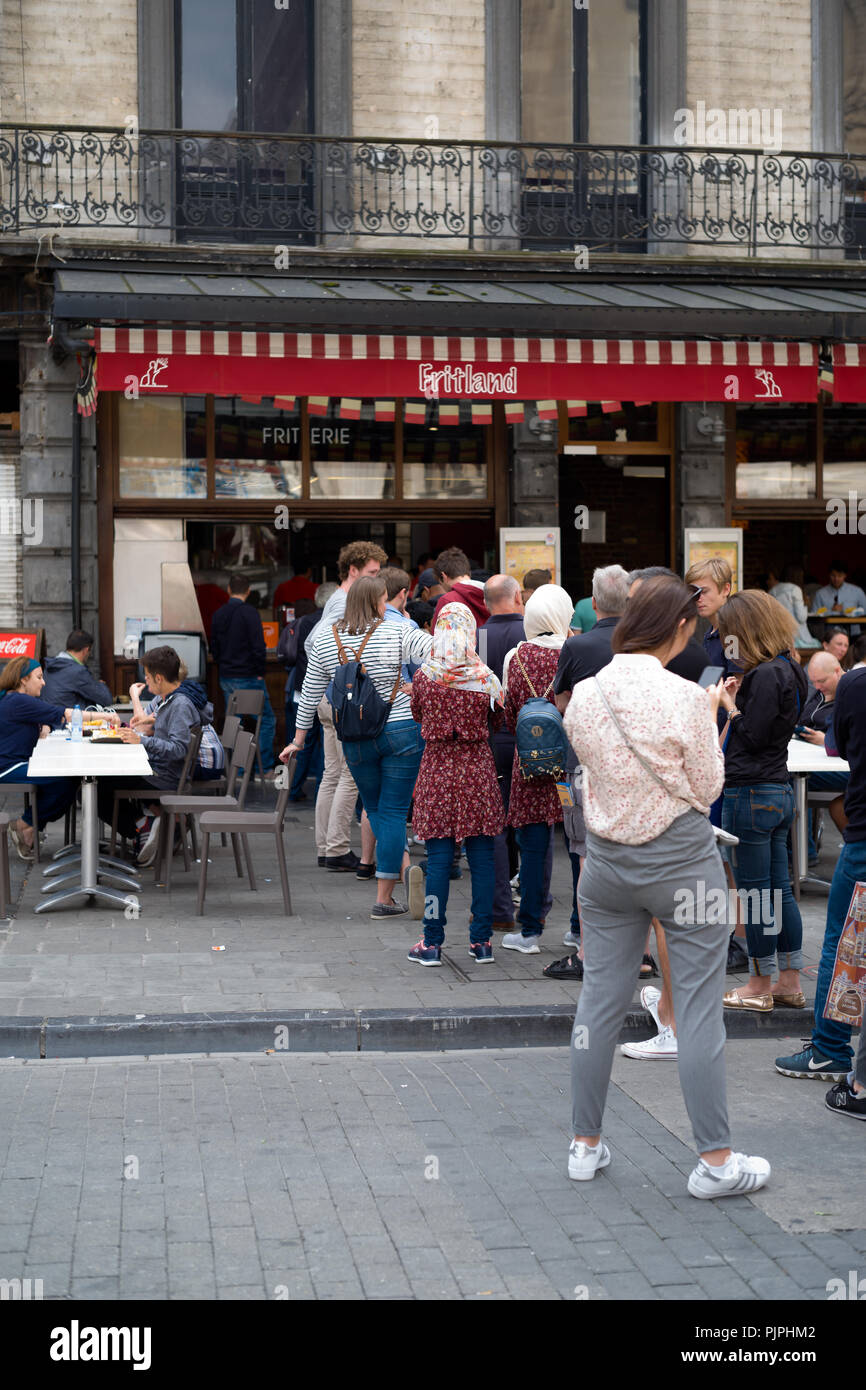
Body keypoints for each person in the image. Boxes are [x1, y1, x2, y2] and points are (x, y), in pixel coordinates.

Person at [565, 575, 771, 1198]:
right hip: (682, 865)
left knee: (599, 1003)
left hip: (604, 867)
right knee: (702, 1008)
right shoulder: (686, 697)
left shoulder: (584, 696)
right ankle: (715, 1161)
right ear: (680, 627)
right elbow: (708, 788)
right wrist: (710, 718)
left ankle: (584, 1145)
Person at [283, 576, 432, 917]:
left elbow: (309, 693)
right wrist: (418, 690)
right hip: (400, 731)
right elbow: (437, 656)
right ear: (379, 601)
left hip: (354, 737)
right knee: (394, 812)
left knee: (376, 809)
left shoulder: (324, 637)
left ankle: (394, 881)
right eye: (383, 600)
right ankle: (386, 893)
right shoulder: (399, 630)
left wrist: (298, 739)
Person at [714, 590, 808, 1011]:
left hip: (750, 792)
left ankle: (758, 985)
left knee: (755, 896)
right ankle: (788, 981)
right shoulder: (788, 667)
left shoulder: (766, 673)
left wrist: (730, 705)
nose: (726, 642)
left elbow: (751, 736)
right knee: (779, 891)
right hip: (777, 789)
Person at [776, 655, 866, 1083]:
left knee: (844, 944)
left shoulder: (855, 686)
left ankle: (830, 1048)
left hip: (863, 838)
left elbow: (839, 749)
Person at [407, 603, 505, 965]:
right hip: (477, 770)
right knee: (481, 858)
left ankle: (431, 941)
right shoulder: (485, 678)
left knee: (438, 859)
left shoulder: (425, 677)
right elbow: (500, 720)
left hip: (437, 770)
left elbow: (418, 714)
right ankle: (482, 941)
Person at [546, 564, 630, 980]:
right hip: (634, 767)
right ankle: (641, 952)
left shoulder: (576, 648)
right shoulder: (644, 644)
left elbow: (561, 702)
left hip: (583, 763)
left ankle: (586, 949)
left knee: (582, 854)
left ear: (593, 603)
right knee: (633, 854)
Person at [301, 543, 387, 870]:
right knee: (349, 775)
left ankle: (326, 847)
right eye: (372, 573)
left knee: (333, 774)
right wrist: (341, 678)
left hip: (332, 698)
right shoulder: (345, 601)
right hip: (341, 700)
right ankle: (336, 848)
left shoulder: (340, 599)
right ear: (353, 570)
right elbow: (314, 642)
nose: (377, 581)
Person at [500, 583, 573, 955]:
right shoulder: (573, 652)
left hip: (527, 765)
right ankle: (578, 928)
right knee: (579, 846)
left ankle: (530, 931)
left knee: (532, 845)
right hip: (568, 766)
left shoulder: (517, 655)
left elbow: (511, 711)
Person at [98, 646, 204, 864]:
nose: (145, 681)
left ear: (158, 678)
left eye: (147, 676)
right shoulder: (169, 700)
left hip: (164, 776)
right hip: (158, 769)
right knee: (101, 781)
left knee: (99, 786)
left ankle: (142, 827)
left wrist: (141, 741)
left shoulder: (180, 704)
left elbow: (178, 749)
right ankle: (146, 827)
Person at [480, 575, 526, 931]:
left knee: (496, 818)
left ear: (485, 602)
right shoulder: (530, 632)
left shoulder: (478, 635)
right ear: (518, 596)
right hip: (527, 738)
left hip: (492, 738)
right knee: (526, 819)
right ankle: (526, 889)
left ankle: (499, 895)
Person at [0, 656, 80, 859]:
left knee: (67, 780)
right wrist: (106, 716)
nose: (44, 682)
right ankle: (24, 825)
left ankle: (28, 826)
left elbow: (49, 718)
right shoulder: (17, 700)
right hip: (7, 767)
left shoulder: (15, 699)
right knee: (65, 780)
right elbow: (61, 714)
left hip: (18, 762)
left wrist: (45, 724)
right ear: (23, 680)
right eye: (39, 677)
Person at [210, 574, 276, 774]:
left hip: (227, 676)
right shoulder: (250, 613)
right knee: (265, 720)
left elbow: (215, 647)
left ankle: (236, 770)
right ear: (248, 591)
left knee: (234, 722)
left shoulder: (219, 613)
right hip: (249, 676)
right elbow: (258, 646)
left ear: (229, 590)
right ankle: (263, 768)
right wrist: (260, 672)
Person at [799, 651, 848, 835]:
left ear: (837, 671)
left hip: (847, 766)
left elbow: (841, 741)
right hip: (824, 757)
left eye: (822, 681)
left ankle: (805, 848)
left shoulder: (850, 692)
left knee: (796, 779)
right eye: (813, 682)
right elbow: (804, 717)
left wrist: (824, 740)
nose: (818, 686)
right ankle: (804, 848)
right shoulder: (824, 691)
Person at [685, 556, 738, 676]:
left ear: (726, 589)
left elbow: (737, 681)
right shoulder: (710, 633)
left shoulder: (733, 632)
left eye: (704, 591)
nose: (698, 599)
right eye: (694, 593)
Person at [41, 629, 113, 709]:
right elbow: (106, 699)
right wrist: (101, 684)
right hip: (70, 719)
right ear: (86, 650)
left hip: (50, 717)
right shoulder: (78, 672)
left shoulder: (50, 666)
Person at [431, 548, 490, 627]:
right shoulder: (491, 595)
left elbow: (438, 636)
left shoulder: (448, 600)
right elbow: (484, 633)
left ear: (443, 576)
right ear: (468, 573)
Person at [810, 561, 866, 635]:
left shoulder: (857, 591)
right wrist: (831, 611)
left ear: (845, 575)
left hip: (854, 634)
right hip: (829, 634)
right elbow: (814, 616)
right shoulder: (820, 593)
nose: (836, 579)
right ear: (829, 575)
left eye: (839, 576)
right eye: (833, 575)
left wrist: (847, 610)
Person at [771, 564, 819, 648]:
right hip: (796, 636)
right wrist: (806, 605)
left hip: (778, 637)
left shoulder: (773, 590)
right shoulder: (795, 589)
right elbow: (801, 617)